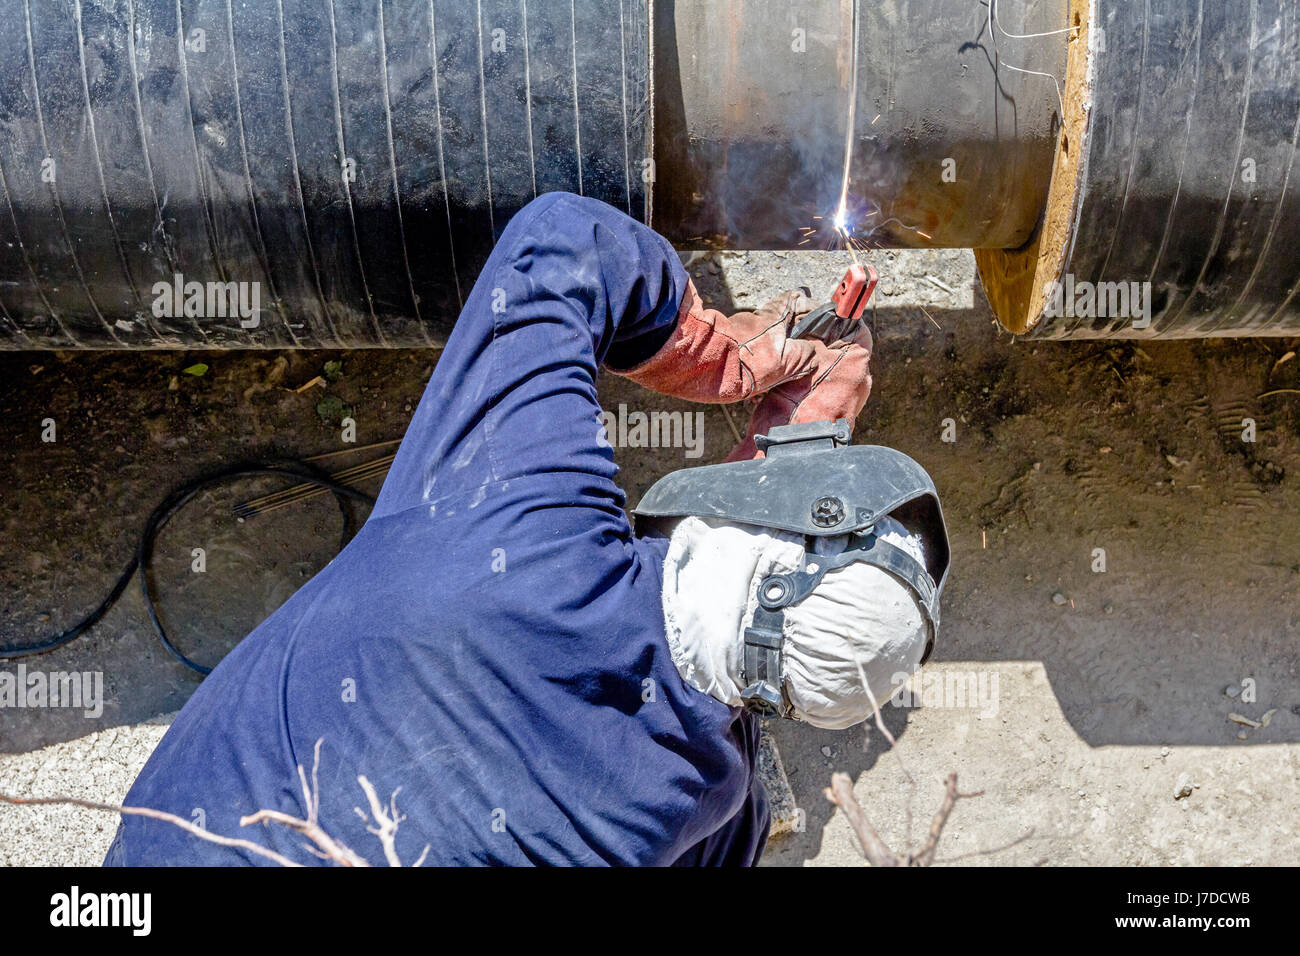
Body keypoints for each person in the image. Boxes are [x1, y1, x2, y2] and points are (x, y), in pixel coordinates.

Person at [105, 191, 946, 867]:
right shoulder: (691, 799)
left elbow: (558, 245)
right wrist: (776, 458)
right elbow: (735, 660)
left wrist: (734, 356)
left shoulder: (519, 526)